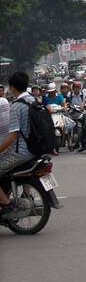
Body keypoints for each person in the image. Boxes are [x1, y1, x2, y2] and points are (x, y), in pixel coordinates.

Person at [0, 72, 38, 219]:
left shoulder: (16, 106)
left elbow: (12, 136)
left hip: (21, 152)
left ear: (12, 87)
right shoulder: (33, 101)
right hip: (36, 149)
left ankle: (5, 203)